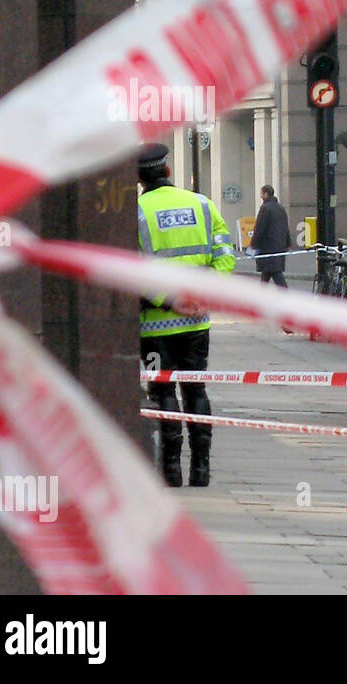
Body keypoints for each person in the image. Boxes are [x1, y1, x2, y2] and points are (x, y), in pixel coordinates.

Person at [135, 143, 235, 487]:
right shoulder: (202, 205)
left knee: (162, 394)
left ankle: (170, 471)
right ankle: (202, 470)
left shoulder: (135, 212)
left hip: (153, 327)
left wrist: (168, 298)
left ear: (139, 178)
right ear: (167, 171)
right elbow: (225, 256)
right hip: (197, 324)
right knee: (196, 390)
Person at [250, 184, 291, 287]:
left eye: (261, 193)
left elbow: (259, 228)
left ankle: (284, 294)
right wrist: (288, 242)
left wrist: (253, 244)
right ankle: (261, 295)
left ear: (266, 194)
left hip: (267, 247)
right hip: (280, 246)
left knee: (275, 273)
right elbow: (286, 227)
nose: (260, 196)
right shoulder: (281, 208)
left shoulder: (265, 208)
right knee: (267, 272)